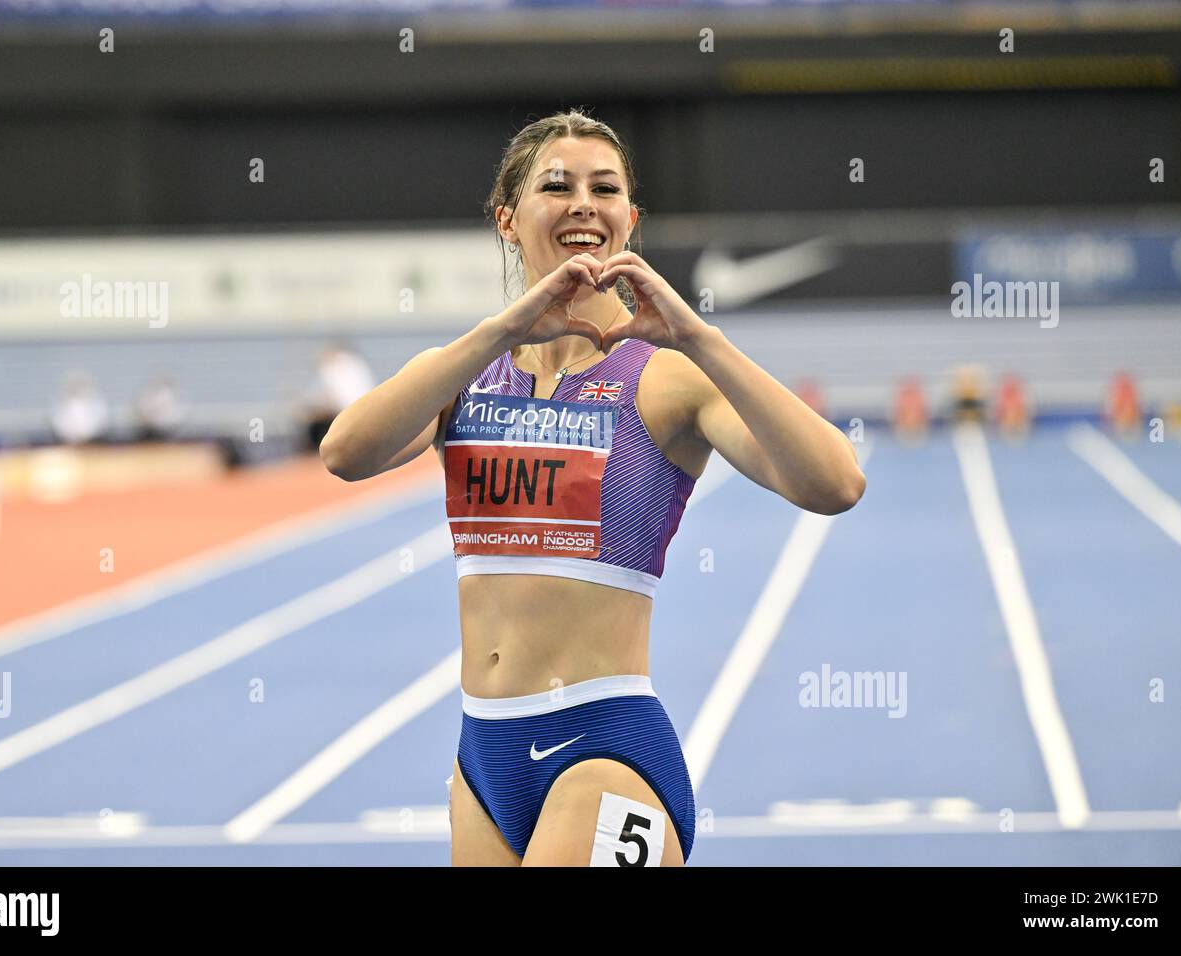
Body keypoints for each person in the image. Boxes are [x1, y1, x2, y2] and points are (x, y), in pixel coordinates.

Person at [319, 109, 866, 867]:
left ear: (629, 220)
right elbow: (345, 452)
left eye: (604, 188)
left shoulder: (667, 379)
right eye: (558, 185)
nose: (584, 201)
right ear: (508, 221)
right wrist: (501, 333)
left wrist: (701, 337)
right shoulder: (465, 372)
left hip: (603, 751)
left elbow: (836, 482)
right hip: (483, 759)